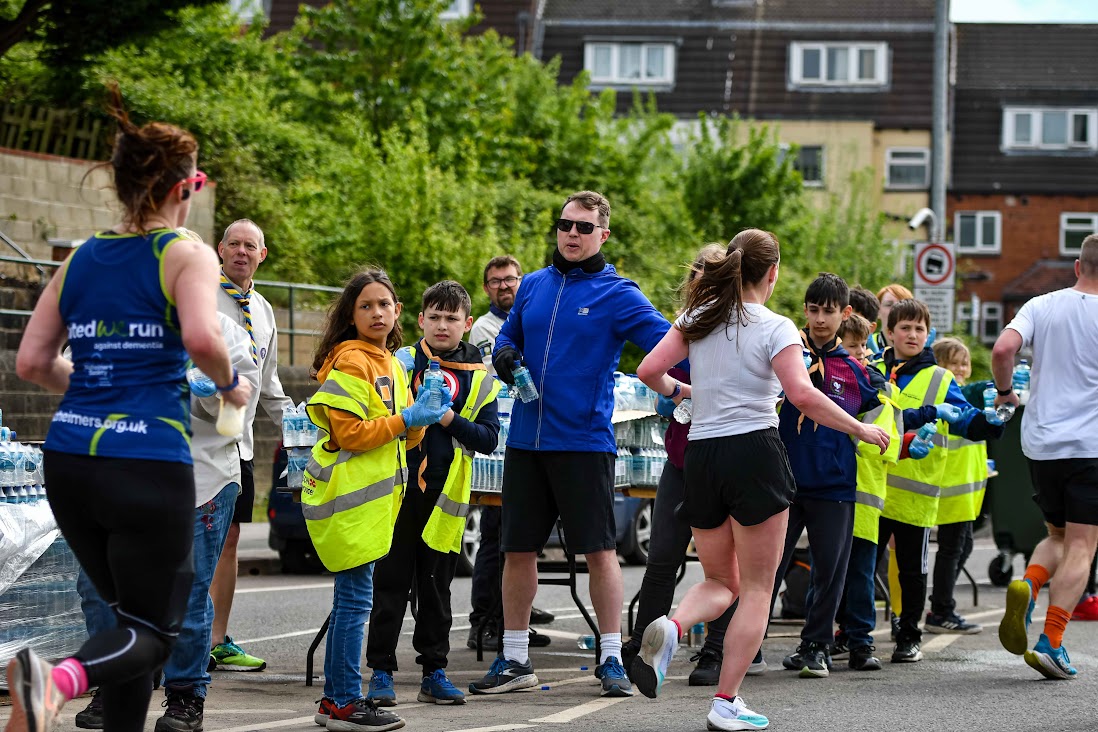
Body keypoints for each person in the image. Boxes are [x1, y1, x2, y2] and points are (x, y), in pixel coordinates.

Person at [9, 88, 251, 732]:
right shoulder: (185, 252)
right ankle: (55, 681)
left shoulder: (82, 257)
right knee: (154, 630)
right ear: (183, 189)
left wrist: (99, 383)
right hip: (145, 460)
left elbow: (31, 362)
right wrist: (230, 386)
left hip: (70, 460)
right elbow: (202, 339)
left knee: (125, 625)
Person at [631, 232, 889, 731]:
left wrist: (685, 391)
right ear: (772, 273)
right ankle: (726, 701)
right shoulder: (777, 326)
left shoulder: (698, 317)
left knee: (719, 581)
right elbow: (802, 395)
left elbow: (647, 370)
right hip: (754, 452)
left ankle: (672, 626)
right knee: (755, 588)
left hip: (701, 454)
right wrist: (859, 428)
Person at [470, 190, 672, 698]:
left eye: (584, 227)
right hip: (525, 442)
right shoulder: (534, 285)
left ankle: (612, 658)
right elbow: (508, 337)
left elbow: (669, 343)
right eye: (565, 225)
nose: (572, 234)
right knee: (517, 550)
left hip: (583, 443)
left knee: (600, 552)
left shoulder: (619, 292)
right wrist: (506, 354)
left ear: (603, 234)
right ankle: (515, 658)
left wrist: (702, 376)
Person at [70, 230, 263, 732]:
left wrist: (209, 388)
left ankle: (185, 696)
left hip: (201, 479)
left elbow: (236, 418)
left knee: (187, 592)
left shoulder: (226, 332)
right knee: (99, 587)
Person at [304, 268, 449, 731]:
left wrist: (421, 417)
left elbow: (405, 439)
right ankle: (345, 701)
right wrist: (407, 418)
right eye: (365, 306)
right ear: (351, 315)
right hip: (351, 501)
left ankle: (335, 700)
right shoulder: (352, 361)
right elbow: (350, 433)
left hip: (372, 505)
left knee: (351, 601)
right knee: (354, 603)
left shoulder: (392, 363)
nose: (376, 313)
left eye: (383, 304)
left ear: (398, 310)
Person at [365, 281, 500, 707]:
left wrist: (447, 418)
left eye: (452, 318)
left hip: (445, 497)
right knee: (390, 583)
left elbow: (489, 438)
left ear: (468, 323)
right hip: (398, 490)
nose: (442, 325)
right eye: (435, 317)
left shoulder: (480, 377)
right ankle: (381, 672)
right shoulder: (400, 363)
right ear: (420, 319)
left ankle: (434, 672)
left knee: (437, 588)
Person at [620, 244, 738, 687]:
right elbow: (653, 377)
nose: (703, 282)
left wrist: (686, 393)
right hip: (682, 460)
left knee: (724, 571)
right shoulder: (684, 328)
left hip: (726, 463)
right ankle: (642, 646)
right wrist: (672, 397)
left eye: (713, 275)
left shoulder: (742, 329)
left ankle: (715, 650)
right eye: (697, 275)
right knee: (662, 558)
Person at [765, 273, 892, 680]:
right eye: (814, 310)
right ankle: (746, 643)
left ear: (846, 313)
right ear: (804, 310)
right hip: (782, 481)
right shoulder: (783, 355)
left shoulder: (856, 371)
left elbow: (884, 406)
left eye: (830, 311)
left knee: (830, 570)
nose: (820, 319)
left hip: (834, 483)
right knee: (767, 567)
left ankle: (816, 645)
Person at [873, 299, 1002, 663]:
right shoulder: (872, 368)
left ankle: (909, 635)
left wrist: (992, 420)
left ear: (928, 335)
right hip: (871, 491)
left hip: (914, 496)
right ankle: (852, 634)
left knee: (913, 573)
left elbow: (965, 419)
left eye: (920, 329)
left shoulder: (940, 379)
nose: (912, 335)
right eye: (905, 328)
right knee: (859, 569)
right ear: (889, 332)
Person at [994, 234, 1098, 679]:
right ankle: (1051, 641)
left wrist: (1005, 392)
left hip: (1041, 445)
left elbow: (1003, 349)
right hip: (1091, 447)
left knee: (1057, 534)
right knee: (1082, 546)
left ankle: (1029, 583)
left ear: (1077, 266)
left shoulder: (1041, 305)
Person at [207, 218, 294, 672]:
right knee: (189, 540)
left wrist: (297, 427)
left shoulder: (262, 309)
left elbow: (269, 382)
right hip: (198, 442)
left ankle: (217, 639)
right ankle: (181, 638)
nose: (241, 252)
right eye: (234, 244)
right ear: (220, 250)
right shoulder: (198, 296)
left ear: (263, 254)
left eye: (250, 246)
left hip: (239, 445)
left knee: (230, 539)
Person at [465, 255, 554, 652]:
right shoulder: (486, 329)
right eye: (496, 281)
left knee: (521, 536)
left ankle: (515, 615)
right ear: (487, 288)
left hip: (527, 433)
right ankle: (484, 620)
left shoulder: (531, 319)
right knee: (495, 532)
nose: (504, 286)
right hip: (498, 440)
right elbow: (500, 376)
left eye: (510, 279)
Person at [927, 337, 985, 635]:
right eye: (953, 363)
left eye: (964, 363)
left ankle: (940, 604)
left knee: (961, 547)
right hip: (951, 489)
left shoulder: (962, 397)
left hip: (966, 490)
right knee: (952, 550)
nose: (961, 369)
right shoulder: (948, 400)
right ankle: (941, 610)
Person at [870, 284, 914, 355]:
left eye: (902, 305)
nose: (895, 309)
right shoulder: (864, 344)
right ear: (878, 311)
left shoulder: (918, 345)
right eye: (889, 305)